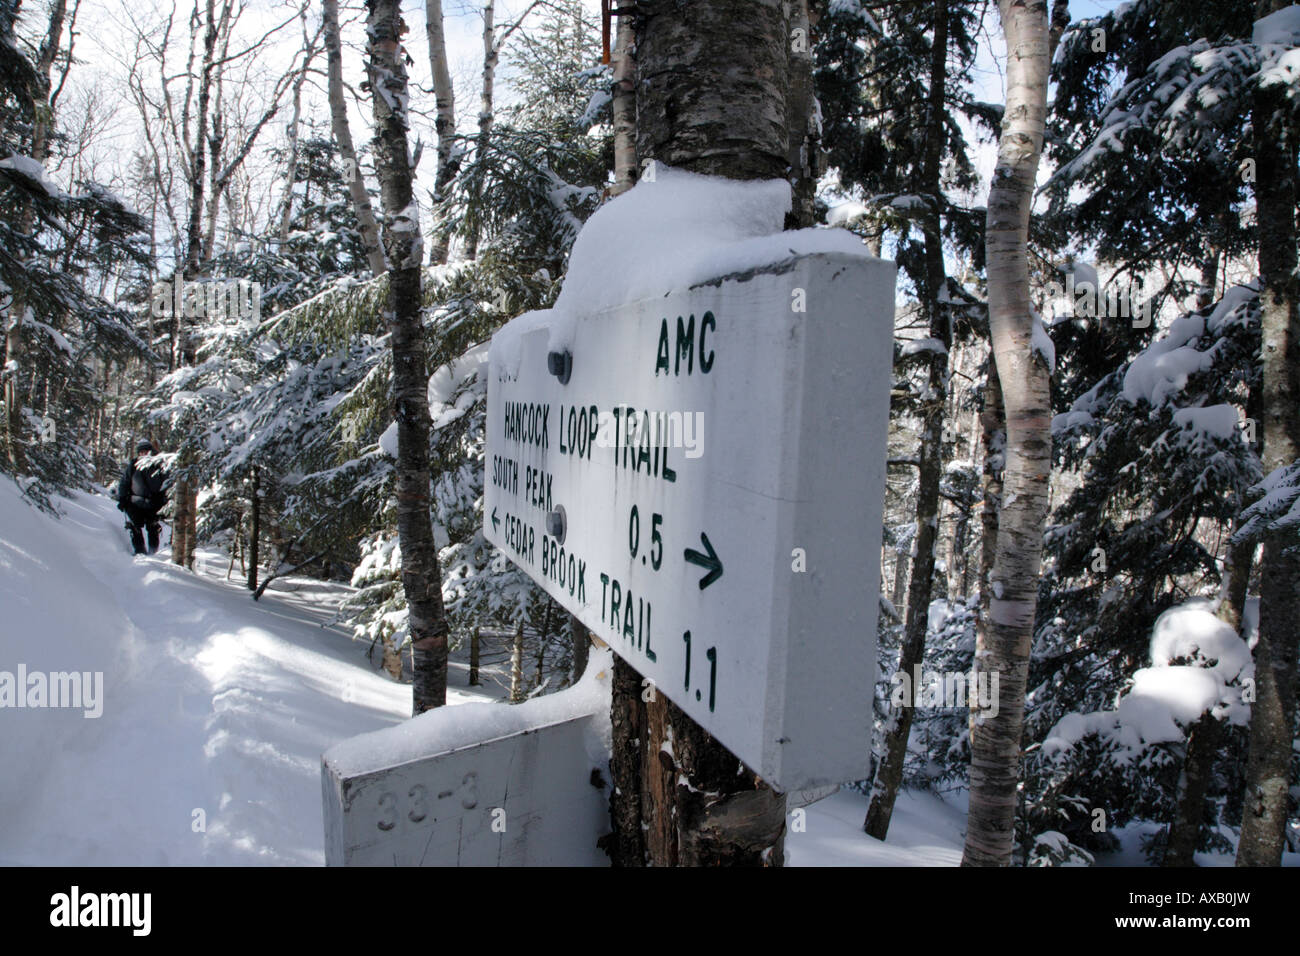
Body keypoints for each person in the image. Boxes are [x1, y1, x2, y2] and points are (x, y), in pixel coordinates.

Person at [117, 439, 169, 555]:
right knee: (134, 527)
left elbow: (166, 484)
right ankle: (140, 551)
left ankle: (153, 553)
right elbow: (124, 483)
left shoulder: (158, 465)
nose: (143, 454)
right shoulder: (133, 466)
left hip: (154, 503)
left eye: (146, 451)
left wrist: (163, 499)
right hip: (135, 502)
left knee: (153, 528)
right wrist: (122, 498)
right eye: (141, 452)